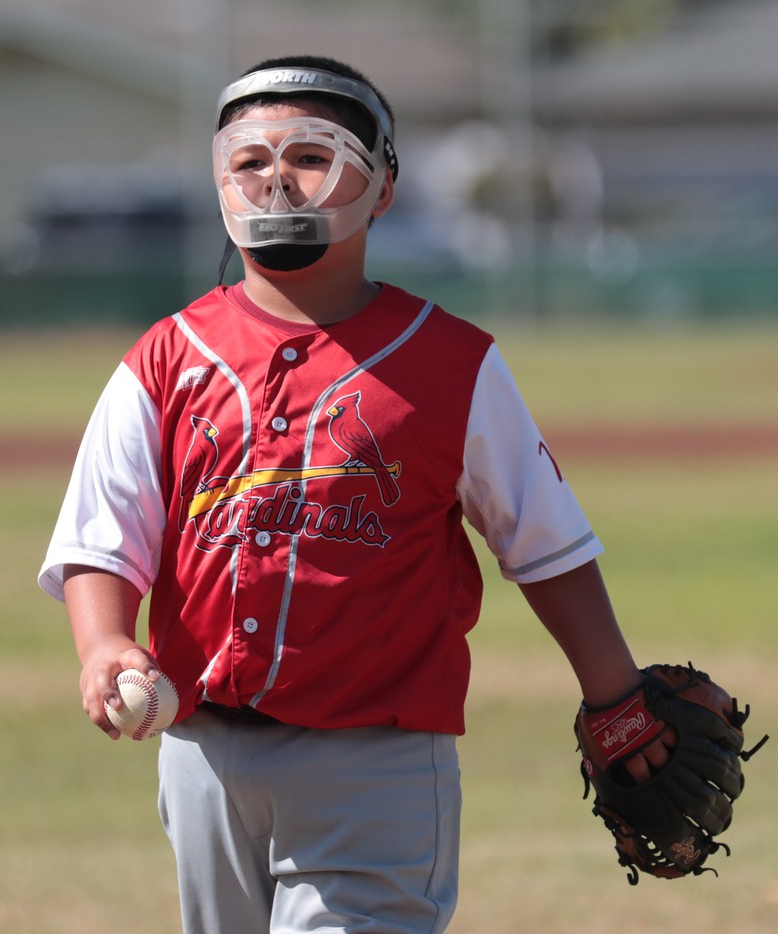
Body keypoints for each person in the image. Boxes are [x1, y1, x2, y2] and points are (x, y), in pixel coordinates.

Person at [38, 55, 669, 933]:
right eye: (249, 159)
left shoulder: (451, 363)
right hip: (199, 752)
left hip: (377, 759)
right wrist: (104, 640)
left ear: (382, 188)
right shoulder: (167, 355)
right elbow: (105, 534)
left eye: (311, 153)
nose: (276, 180)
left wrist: (616, 699)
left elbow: (545, 546)